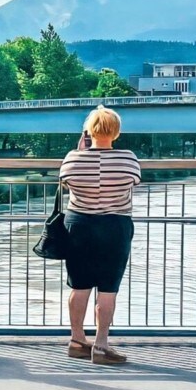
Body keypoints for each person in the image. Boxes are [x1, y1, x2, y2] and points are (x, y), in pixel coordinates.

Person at [58, 106, 142, 365]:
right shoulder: (128, 159)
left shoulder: (72, 158)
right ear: (116, 132)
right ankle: (102, 345)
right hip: (115, 226)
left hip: (79, 225)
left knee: (79, 284)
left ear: (88, 131)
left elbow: (64, 183)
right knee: (108, 288)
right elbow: (134, 182)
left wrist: (81, 151)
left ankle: (77, 340)